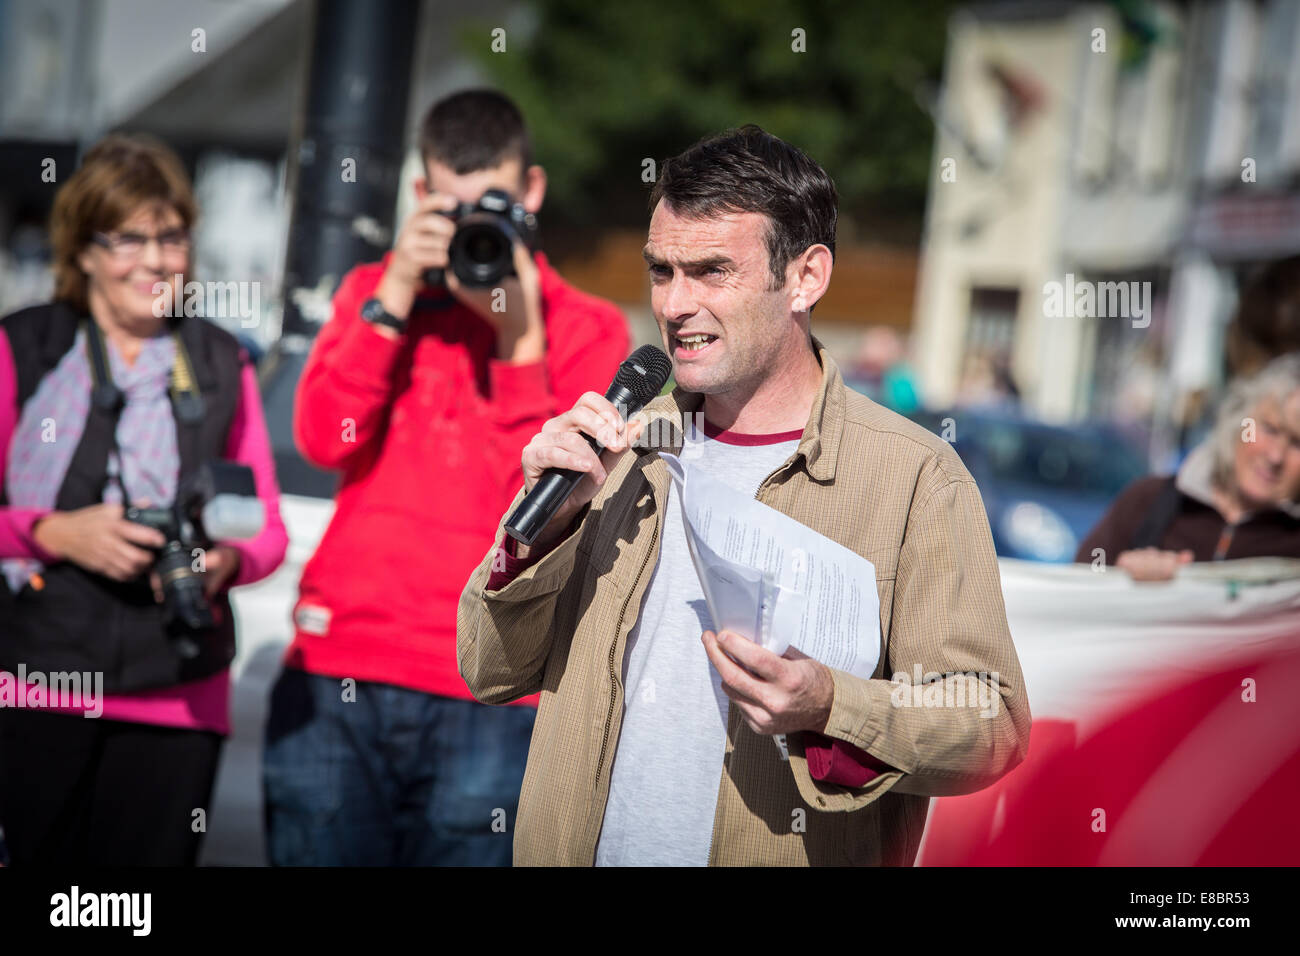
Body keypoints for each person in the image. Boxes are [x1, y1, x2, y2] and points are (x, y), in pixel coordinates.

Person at [457, 125, 1031, 866]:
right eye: (661, 271)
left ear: (806, 278)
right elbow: (487, 667)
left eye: (711, 271)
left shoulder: (916, 477)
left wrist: (832, 704)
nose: (675, 302)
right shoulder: (615, 445)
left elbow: (992, 725)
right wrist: (542, 534)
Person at [264, 89, 630, 866]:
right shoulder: (374, 292)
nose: (473, 233)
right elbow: (324, 440)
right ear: (422, 198)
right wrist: (395, 291)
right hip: (341, 665)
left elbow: (545, 513)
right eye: (452, 209)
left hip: (487, 683)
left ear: (530, 194)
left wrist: (517, 340)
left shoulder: (586, 327)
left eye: (490, 209)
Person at [0, 133, 287, 866]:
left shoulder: (222, 359)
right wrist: (54, 533)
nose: (157, 260)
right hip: (38, 685)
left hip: (178, 695)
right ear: (85, 249)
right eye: (131, 238)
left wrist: (221, 561)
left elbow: (268, 534)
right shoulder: (24, 345)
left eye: (172, 237)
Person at [1076, 353, 1300, 581]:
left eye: (1297, 444)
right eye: (1269, 430)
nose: (1275, 456)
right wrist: (1121, 575)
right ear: (1238, 423)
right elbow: (1078, 587)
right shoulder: (1149, 501)